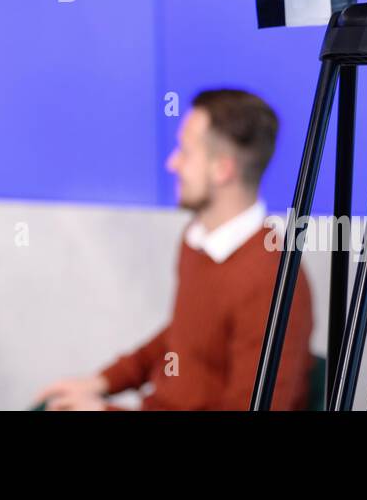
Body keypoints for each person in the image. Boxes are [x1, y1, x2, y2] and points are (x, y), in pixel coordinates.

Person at [37, 89, 313, 410]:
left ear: (222, 170)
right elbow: (182, 341)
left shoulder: (272, 281)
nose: (172, 163)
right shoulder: (197, 240)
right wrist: (103, 382)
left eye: (185, 151)